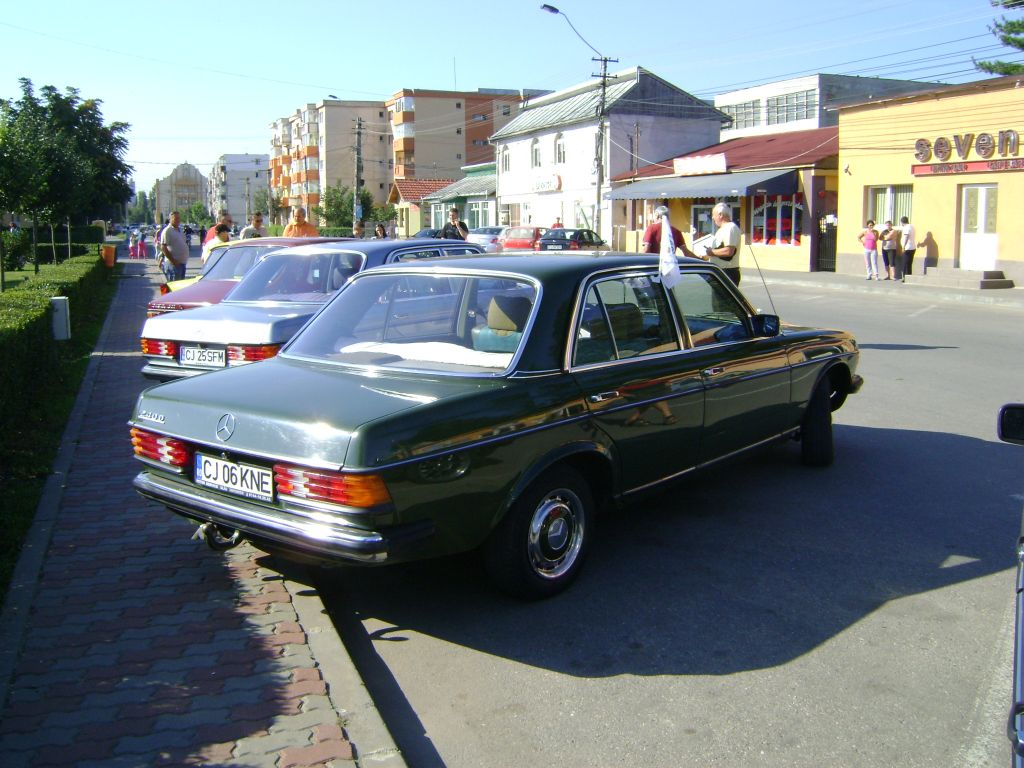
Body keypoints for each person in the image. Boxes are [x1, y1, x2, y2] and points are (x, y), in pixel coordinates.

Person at [705, 202, 742, 285]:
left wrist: (711, 252)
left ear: (720, 214)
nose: (712, 217)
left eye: (713, 214)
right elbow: (720, 249)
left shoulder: (730, 228)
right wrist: (707, 256)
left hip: (727, 272)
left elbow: (729, 251)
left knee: (723, 298)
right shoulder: (722, 229)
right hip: (720, 270)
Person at [159, 211, 189, 281]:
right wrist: (173, 261)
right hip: (173, 265)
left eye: (179, 218)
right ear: (170, 219)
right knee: (174, 288)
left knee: (180, 288)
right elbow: (163, 247)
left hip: (182, 264)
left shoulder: (180, 230)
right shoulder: (167, 231)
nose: (178, 220)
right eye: (176, 219)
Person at [899, 216, 917, 282]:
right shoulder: (912, 227)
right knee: (909, 263)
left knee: (905, 263)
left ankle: (904, 277)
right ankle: (909, 276)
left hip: (907, 248)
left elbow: (906, 237)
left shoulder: (906, 228)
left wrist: (903, 246)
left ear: (902, 222)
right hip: (913, 247)